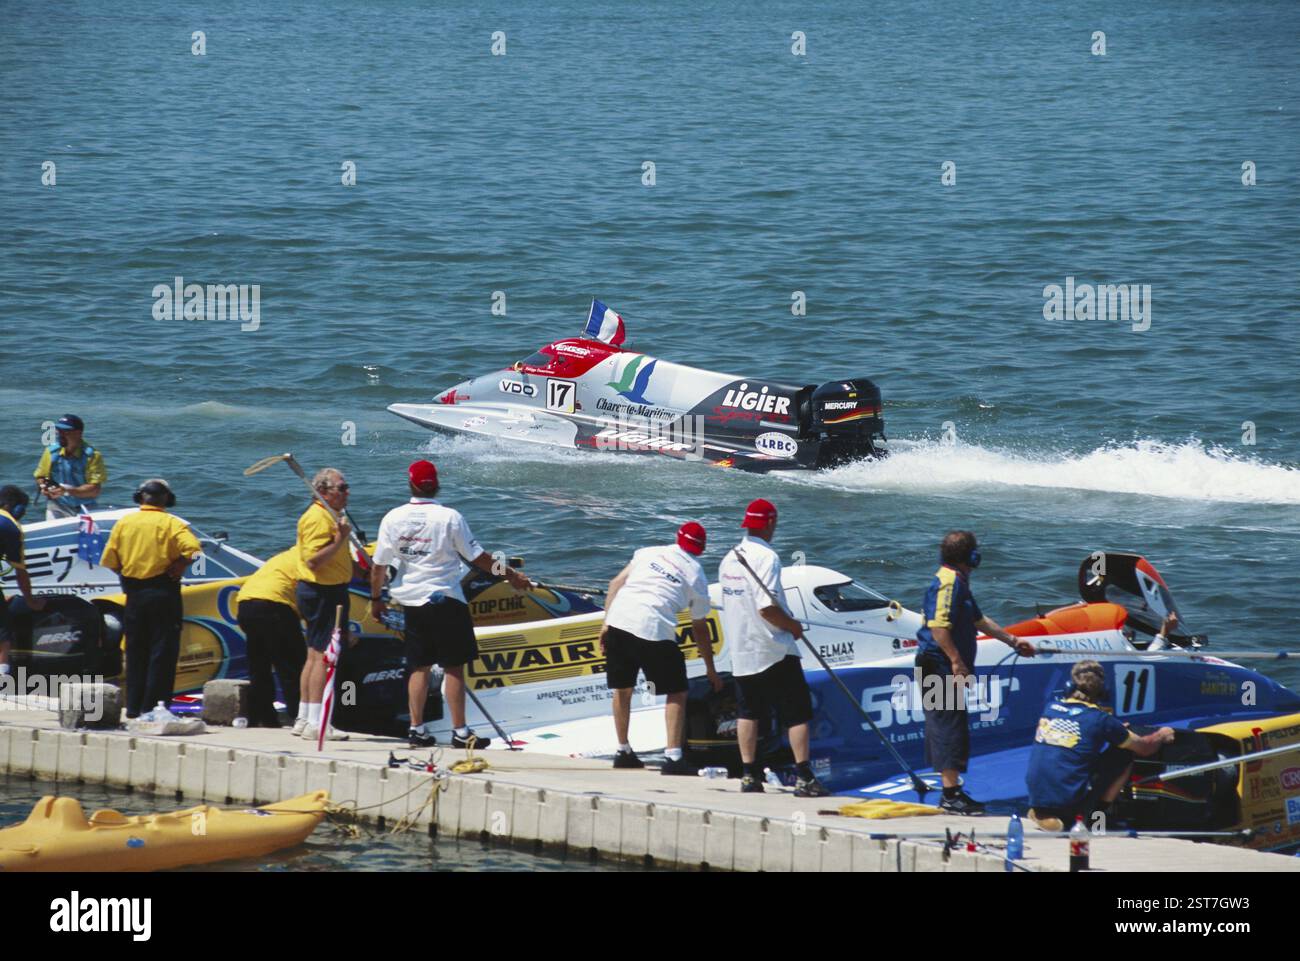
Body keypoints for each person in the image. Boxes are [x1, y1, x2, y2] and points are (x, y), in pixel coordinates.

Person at [370, 460, 532, 749]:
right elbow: (479, 558)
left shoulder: (392, 518)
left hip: (413, 601)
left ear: (410, 483)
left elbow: (379, 566)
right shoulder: (450, 517)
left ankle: (417, 729)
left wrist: (375, 600)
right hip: (446, 600)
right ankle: (460, 732)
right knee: (454, 668)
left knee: (419, 667)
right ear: (437, 483)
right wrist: (511, 576)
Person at [915, 530, 1038, 814]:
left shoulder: (959, 582)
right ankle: (949, 795)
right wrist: (957, 662)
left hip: (944, 664)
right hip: (939, 665)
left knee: (950, 724)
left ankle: (951, 789)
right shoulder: (948, 583)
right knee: (948, 726)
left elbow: (978, 620)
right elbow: (938, 627)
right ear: (970, 557)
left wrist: (1012, 641)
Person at [717, 498, 831, 797]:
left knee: (748, 712)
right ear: (770, 523)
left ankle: (749, 775)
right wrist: (792, 625)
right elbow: (767, 607)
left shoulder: (729, 558)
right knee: (796, 712)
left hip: (741, 650)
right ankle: (804, 776)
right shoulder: (767, 557)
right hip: (773, 648)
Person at [600, 521, 722, 774]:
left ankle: (623, 751)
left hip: (618, 621)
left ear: (678, 538)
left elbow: (614, 584)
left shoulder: (648, 552)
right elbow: (699, 628)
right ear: (701, 549)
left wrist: (604, 626)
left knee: (622, 689)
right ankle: (674, 758)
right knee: (677, 691)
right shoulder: (696, 573)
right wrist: (711, 669)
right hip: (653, 629)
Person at [1026, 660, 1176, 831]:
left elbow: (1080, 728)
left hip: (1036, 798)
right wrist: (1162, 734)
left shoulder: (1050, 708)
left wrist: (1115, 730)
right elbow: (1145, 748)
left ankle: (1042, 813)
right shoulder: (1100, 720)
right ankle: (1097, 818)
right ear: (1102, 692)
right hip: (1068, 803)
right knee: (1123, 754)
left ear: (1069, 686)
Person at [98, 479, 201, 718]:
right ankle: (155, 707)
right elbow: (195, 550)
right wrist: (180, 564)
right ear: (167, 500)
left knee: (135, 651)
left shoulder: (124, 523)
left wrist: (130, 577)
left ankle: (133, 707)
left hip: (133, 594)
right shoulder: (171, 523)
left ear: (140, 498)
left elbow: (110, 561)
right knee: (162, 652)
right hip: (163, 592)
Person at [295, 468, 360, 742]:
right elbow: (314, 560)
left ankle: (305, 716)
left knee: (314, 654)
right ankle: (317, 721)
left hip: (325, 589)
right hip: (323, 592)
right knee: (324, 656)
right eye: (341, 488)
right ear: (324, 492)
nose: (347, 493)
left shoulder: (330, 517)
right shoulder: (318, 518)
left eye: (346, 487)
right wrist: (340, 538)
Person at [235, 549, 307, 729]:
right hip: (274, 606)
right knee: (292, 666)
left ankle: (263, 717)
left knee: (259, 666)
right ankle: (300, 717)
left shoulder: (284, 557)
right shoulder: (312, 560)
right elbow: (310, 598)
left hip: (246, 604)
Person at [0, 487, 47, 688]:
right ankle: (2, 682)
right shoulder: (9, 525)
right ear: (11, 506)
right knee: (3, 633)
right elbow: (20, 571)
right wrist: (31, 601)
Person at [33, 414, 108, 520]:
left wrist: (67, 491)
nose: (61, 434)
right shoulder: (51, 452)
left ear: (79, 433)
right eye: (59, 430)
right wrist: (44, 487)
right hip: (57, 507)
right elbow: (40, 476)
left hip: (85, 507)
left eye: (66, 431)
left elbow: (95, 490)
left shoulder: (92, 456)